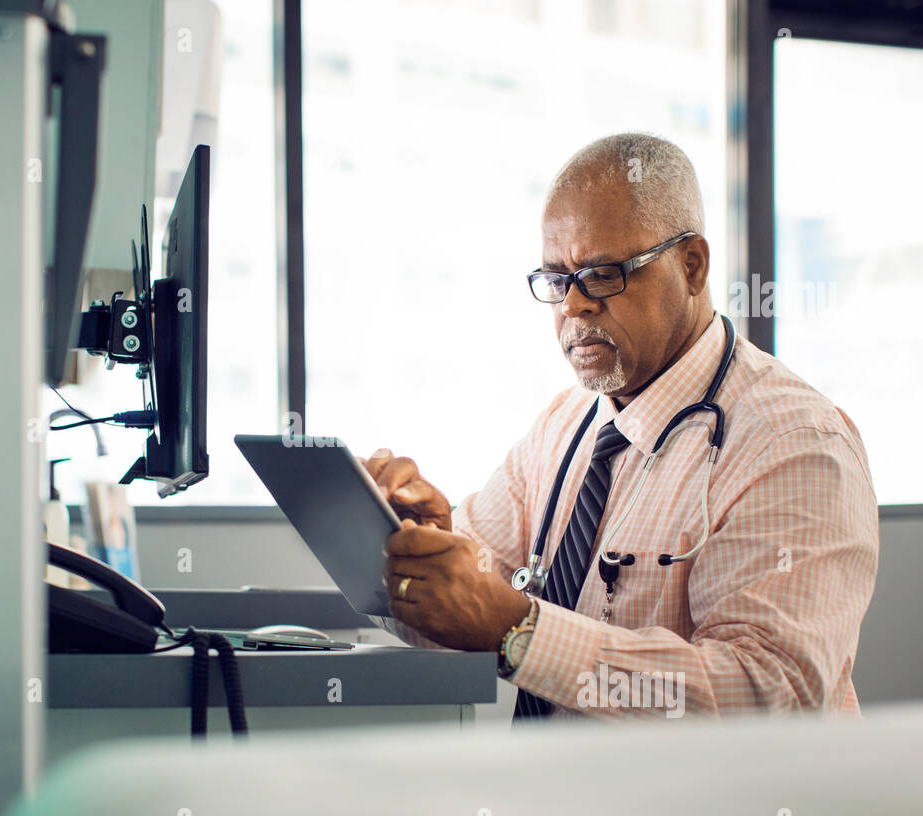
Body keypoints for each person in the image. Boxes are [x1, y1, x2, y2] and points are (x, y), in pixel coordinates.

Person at [364, 132, 878, 722]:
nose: (572, 307)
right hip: (572, 805)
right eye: (557, 280)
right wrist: (420, 553)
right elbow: (464, 609)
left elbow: (768, 696)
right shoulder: (565, 425)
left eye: (603, 274)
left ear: (693, 266)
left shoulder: (793, 443)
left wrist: (519, 630)